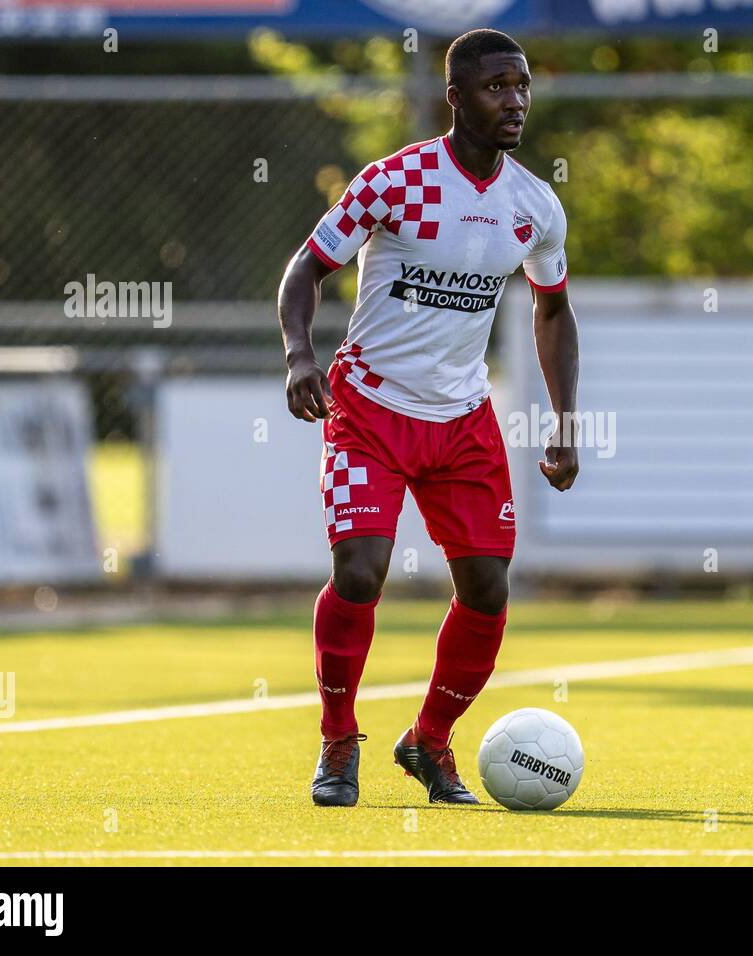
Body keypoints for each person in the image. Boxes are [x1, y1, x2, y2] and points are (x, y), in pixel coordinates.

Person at [276, 28, 580, 806]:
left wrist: (565, 419)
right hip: (369, 409)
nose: (513, 102)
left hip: (463, 420)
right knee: (361, 572)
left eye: (521, 87)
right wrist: (300, 358)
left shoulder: (534, 206)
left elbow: (553, 312)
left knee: (487, 589)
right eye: (495, 88)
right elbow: (307, 266)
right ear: (456, 97)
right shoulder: (394, 180)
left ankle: (428, 743)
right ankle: (338, 741)